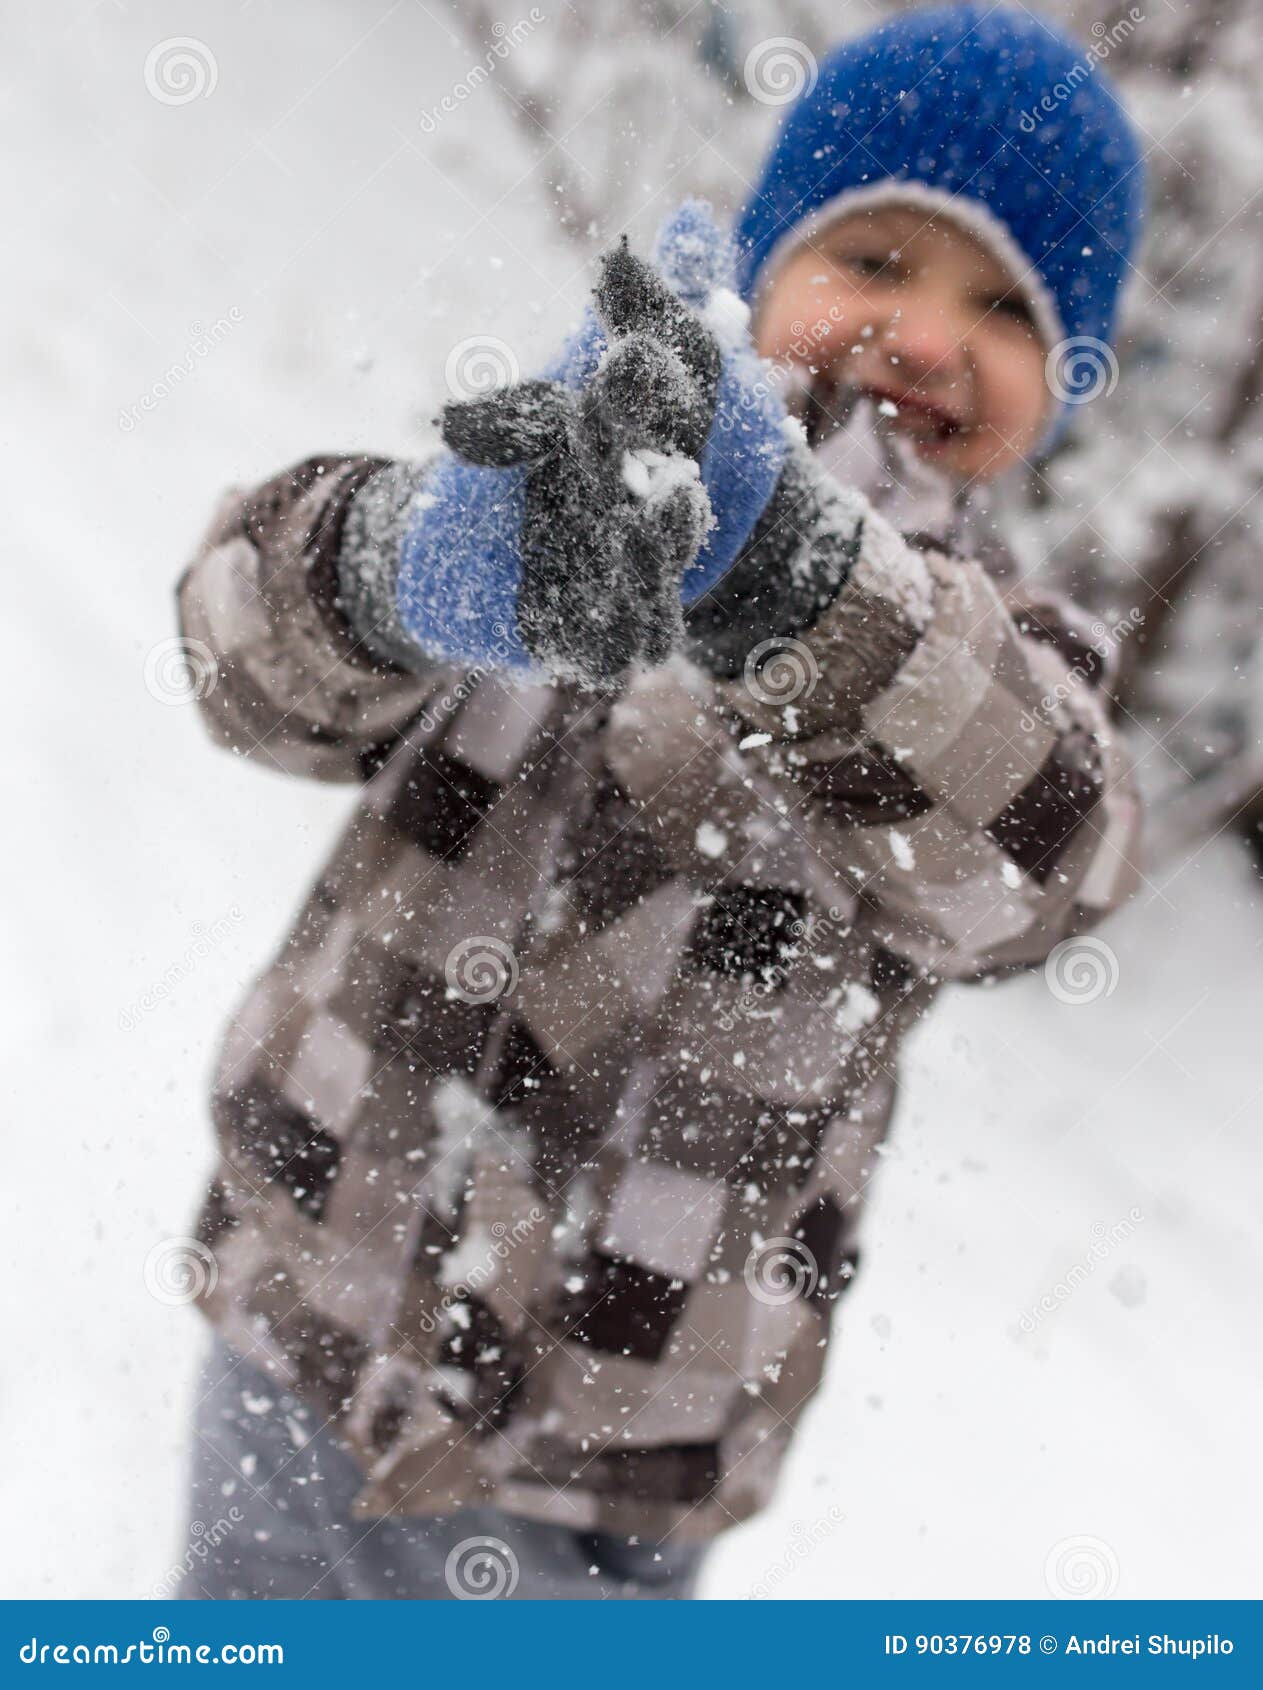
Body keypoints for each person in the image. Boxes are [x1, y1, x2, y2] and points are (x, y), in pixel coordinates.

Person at [172, 5, 1145, 1600]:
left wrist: (800, 584)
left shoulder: (1010, 661)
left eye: (1005, 307)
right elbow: (237, 654)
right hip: (313, 1319)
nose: (924, 334)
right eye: (878, 261)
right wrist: (407, 565)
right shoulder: (550, 495)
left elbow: (1043, 859)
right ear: (766, 268)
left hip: (607, 1460)